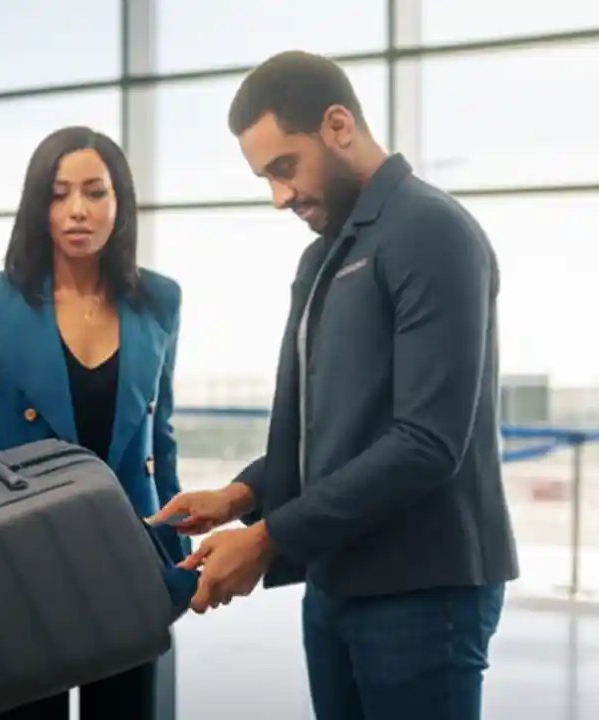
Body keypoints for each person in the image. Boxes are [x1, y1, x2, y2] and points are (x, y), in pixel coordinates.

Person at [148, 51, 519, 719]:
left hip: (424, 589)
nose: (279, 196)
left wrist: (265, 540)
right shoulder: (324, 255)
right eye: (265, 177)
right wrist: (240, 496)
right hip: (336, 579)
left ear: (339, 125)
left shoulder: (432, 230)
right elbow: (328, 426)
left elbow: (427, 442)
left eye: (284, 168)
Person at [0, 125, 184, 720]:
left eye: (95, 192)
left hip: (130, 556)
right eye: (59, 193)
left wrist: (177, 554)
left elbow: (158, 438)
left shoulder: (159, 300)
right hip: (26, 556)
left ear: (121, 202)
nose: (77, 211)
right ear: (37, 204)